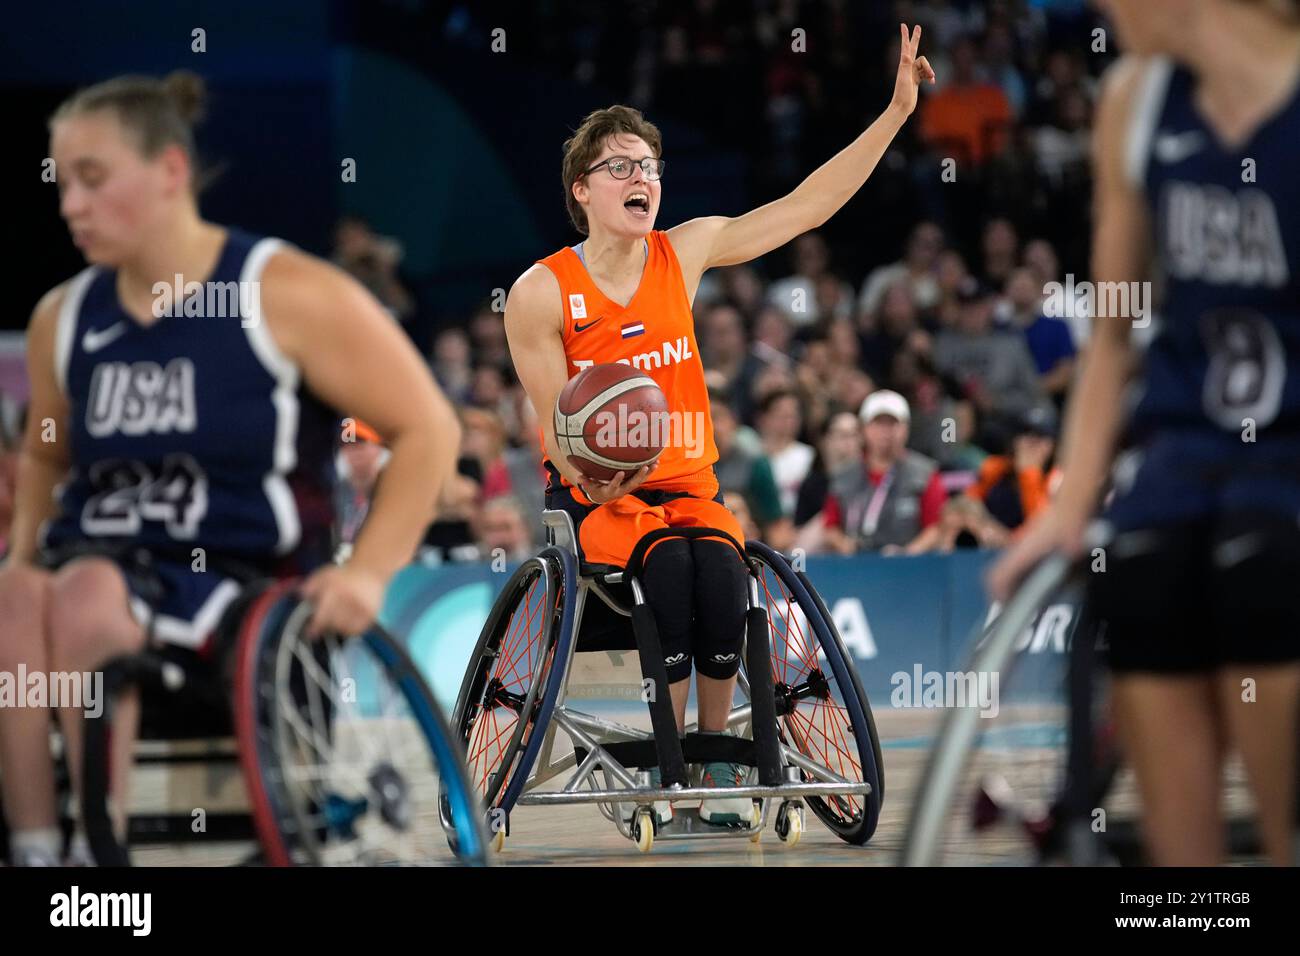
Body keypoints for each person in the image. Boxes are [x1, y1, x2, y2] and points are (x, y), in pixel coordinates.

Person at [0, 73, 460, 866]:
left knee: (83, 595)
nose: (68, 203)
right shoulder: (63, 315)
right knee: (14, 592)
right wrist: (21, 558)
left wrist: (370, 573)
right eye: (61, 180)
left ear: (171, 171)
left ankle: (94, 860)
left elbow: (427, 428)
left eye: (92, 178)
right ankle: (38, 849)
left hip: (245, 592)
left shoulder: (283, 291)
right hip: (98, 566)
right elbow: (46, 449)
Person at [504, 24, 934, 826]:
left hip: (692, 491)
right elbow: (556, 427)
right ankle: (673, 766)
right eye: (621, 167)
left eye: (650, 167)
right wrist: (606, 464)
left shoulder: (685, 252)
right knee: (669, 569)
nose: (642, 178)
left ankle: (712, 766)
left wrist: (895, 113)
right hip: (600, 502)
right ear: (582, 189)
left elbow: (807, 207)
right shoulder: (541, 293)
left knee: (725, 572)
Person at [991, 0, 1300, 866]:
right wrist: (1070, 503)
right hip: (1186, 444)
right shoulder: (1135, 99)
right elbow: (1113, 332)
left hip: (1288, 451)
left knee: (1264, 567)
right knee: (1141, 570)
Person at [822, 389, 946, 556]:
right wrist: (844, 545)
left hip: (911, 571)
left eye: (893, 423)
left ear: (906, 428)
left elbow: (936, 528)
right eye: (878, 423)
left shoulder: (925, 473)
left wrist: (907, 553)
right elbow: (830, 526)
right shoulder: (843, 475)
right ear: (864, 429)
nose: (886, 431)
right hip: (854, 569)